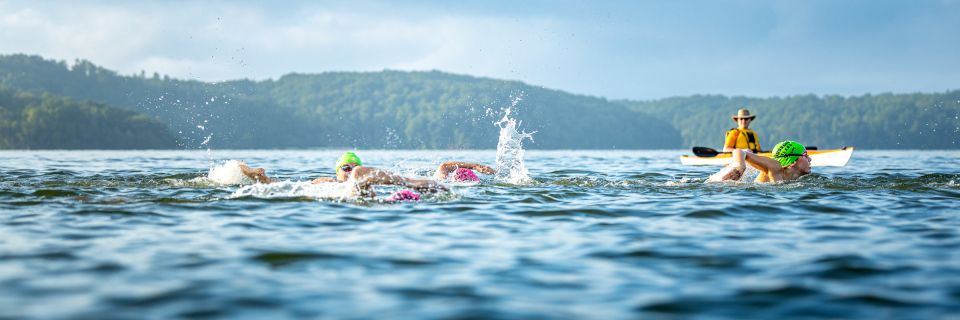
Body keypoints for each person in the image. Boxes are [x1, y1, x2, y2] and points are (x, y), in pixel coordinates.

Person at [238, 151, 447, 198]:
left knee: (360, 174)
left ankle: (415, 183)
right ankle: (413, 183)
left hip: (361, 199)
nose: (350, 172)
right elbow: (284, 186)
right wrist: (259, 177)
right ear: (337, 171)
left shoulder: (362, 179)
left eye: (352, 168)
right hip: (341, 200)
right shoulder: (324, 181)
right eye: (346, 168)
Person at [710, 140, 812, 183]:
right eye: (805, 155)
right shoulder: (775, 167)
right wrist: (740, 166)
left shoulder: (798, 177)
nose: (810, 159)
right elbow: (740, 151)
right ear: (792, 161)